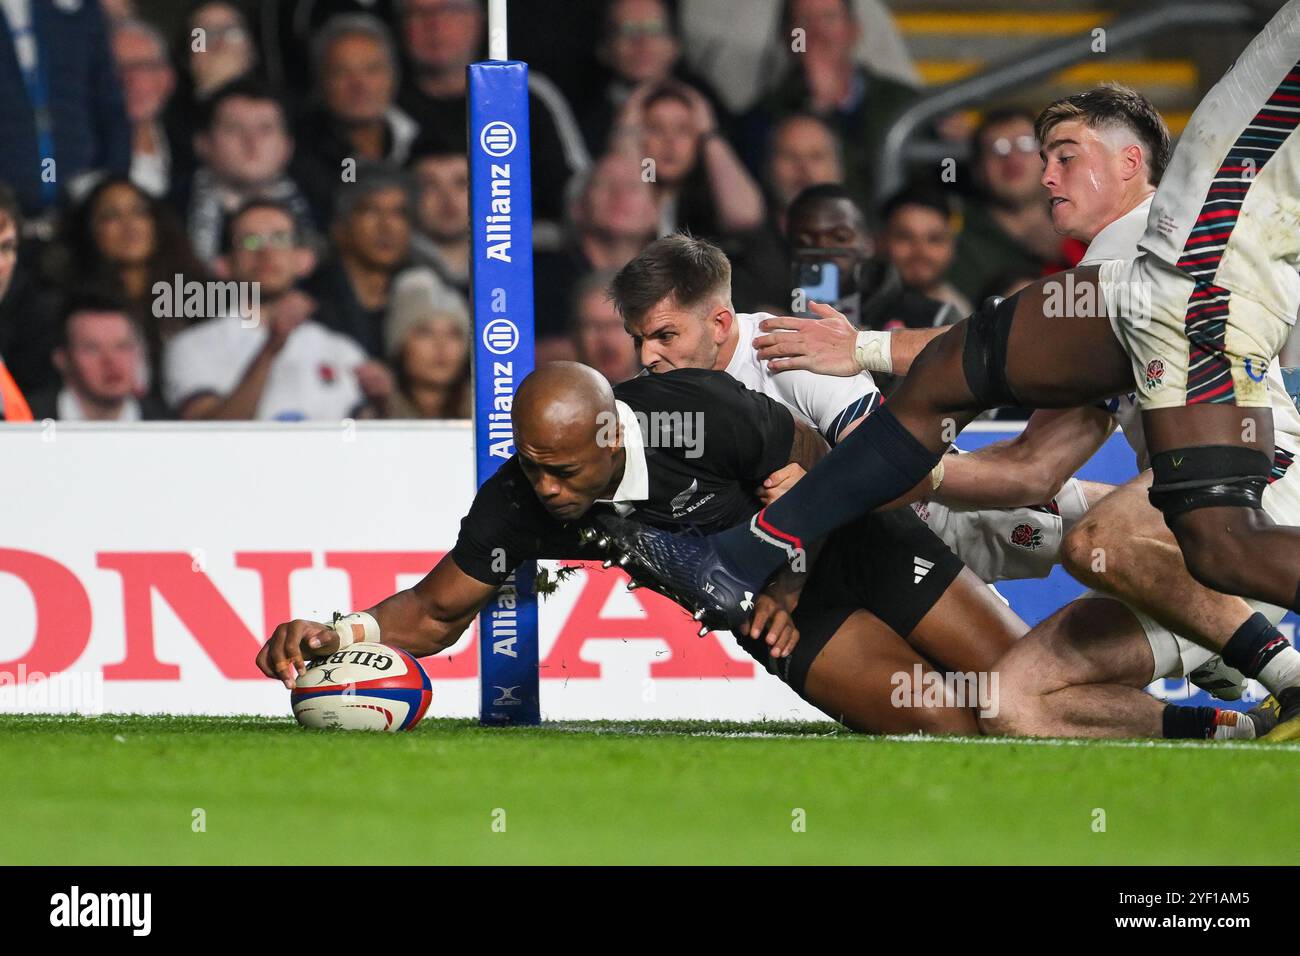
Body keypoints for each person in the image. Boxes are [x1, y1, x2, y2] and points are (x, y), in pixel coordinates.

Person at [594, 4, 1300, 739]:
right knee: (1011, 703)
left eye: (1066, 154)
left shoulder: (1157, 255)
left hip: (1259, 488)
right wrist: (922, 479)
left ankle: (1280, 668)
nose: (1046, 175)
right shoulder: (1100, 287)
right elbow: (1032, 466)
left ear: (1131, 164)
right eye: (1043, 157)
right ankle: (1238, 728)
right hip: (1180, 535)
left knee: (1099, 541)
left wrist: (866, 358)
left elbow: (993, 349)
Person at [256, 360, 1028, 736]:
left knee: (1024, 697)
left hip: (859, 545)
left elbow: (824, 461)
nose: (548, 490)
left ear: (609, 434)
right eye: (532, 468)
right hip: (789, 626)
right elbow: (433, 611)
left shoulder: (697, 412)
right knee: (957, 735)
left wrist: (788, 577)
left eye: (563, 472)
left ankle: (1155, 732)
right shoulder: (520, 501)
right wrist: (340, 633)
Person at [620, 233, 1102, 585]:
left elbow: (890, 465)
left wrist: (811, 483)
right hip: (842, 558)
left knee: (1101, 539)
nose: (647, 358)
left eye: (665, 337)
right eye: (638, 340)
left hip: (934, 523)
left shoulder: (790, 352)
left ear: (721, 322)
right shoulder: (657, 391)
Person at [163, 198, 385, 421]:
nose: (266, 251)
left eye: (279, 239)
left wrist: (382, 403)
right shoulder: (193, 346)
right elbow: (206, 436)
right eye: (250, 241)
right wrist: (270, 348)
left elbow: (365, 439)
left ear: (304, 260)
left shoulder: (342, 350)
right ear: (223, 265)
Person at [395, 0, 589, 233]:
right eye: (418, 14)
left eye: (450, 10)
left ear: (480, 19)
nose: (435, 25)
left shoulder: (522, 93)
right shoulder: (381, 105)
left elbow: (576, 195)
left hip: (529, 253)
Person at [59, 175, 209, 391]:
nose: (129, 226)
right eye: (111, 216)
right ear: (89, 230)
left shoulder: (197, 296)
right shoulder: (70, 305)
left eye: (139, 212)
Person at [0, 0, 130, 219]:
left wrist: (111, 179)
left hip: (80, 209)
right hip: (8, 209)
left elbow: (109, 104)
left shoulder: (82, 11)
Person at [945, 109, 1083, 304]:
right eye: (997, 149)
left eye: (1025, 145)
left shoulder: (1087, 222)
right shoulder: (957, 237)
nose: (1012, 159)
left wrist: (1069, 251)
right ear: (977, 170)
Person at [293, 14, 420, 222]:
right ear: (321, 81)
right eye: (342, 72)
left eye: (372, 69)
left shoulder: (422, 140)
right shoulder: (298, 153)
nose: (359, 85)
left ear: (393, 75)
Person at [177, 78, 317, 264]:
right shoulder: (171, 213)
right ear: (203, 144)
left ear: (287, 146)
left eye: (265, 130)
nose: (252, 142)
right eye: (234, 129)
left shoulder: (320, 206)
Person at [785, 184, 956, 333]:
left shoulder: (935, 318)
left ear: (869, 243)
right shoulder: (769, 308)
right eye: (805, 241)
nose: (823, 249)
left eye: (840, 238)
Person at [303, 163, 414, 358]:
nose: (387, 226)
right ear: (340, 228)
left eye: (398, 213)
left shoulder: (421, 294)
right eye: (371, 211)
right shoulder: (310, 303)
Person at [27, 294, 167, 422]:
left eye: (122, 346)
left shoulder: (166, 425)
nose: (111, 361)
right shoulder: (25, 421)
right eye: (92, 349)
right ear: (62, 359)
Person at [382, 266, 471, 419]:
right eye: (426, 333)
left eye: (453, 334)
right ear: (400, 345)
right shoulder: (375, 414)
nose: (441, 346)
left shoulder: (491, 417)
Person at [879, 187, 972, 317]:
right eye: (905, 237)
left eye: (934, 239)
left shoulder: (962, 314)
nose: (920, 251)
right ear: (881, 242)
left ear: (953, 246)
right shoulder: (857, 306)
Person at [111, 17, 178, 198]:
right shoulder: (83, 151)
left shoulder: (188, 146)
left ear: (167, 78)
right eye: (117, 68)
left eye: (142, 67)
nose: (130, 80)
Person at [407, 140, 470, 299]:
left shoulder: (527, 262)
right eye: (430, 185)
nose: (448, 199)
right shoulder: (385, 270)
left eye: (461, 183)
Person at [569, 270, 640, 386]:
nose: (607, 339)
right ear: (575, 335)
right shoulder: (563, 400)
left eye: (617, 325)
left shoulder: (667, 398)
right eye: (593, 326)